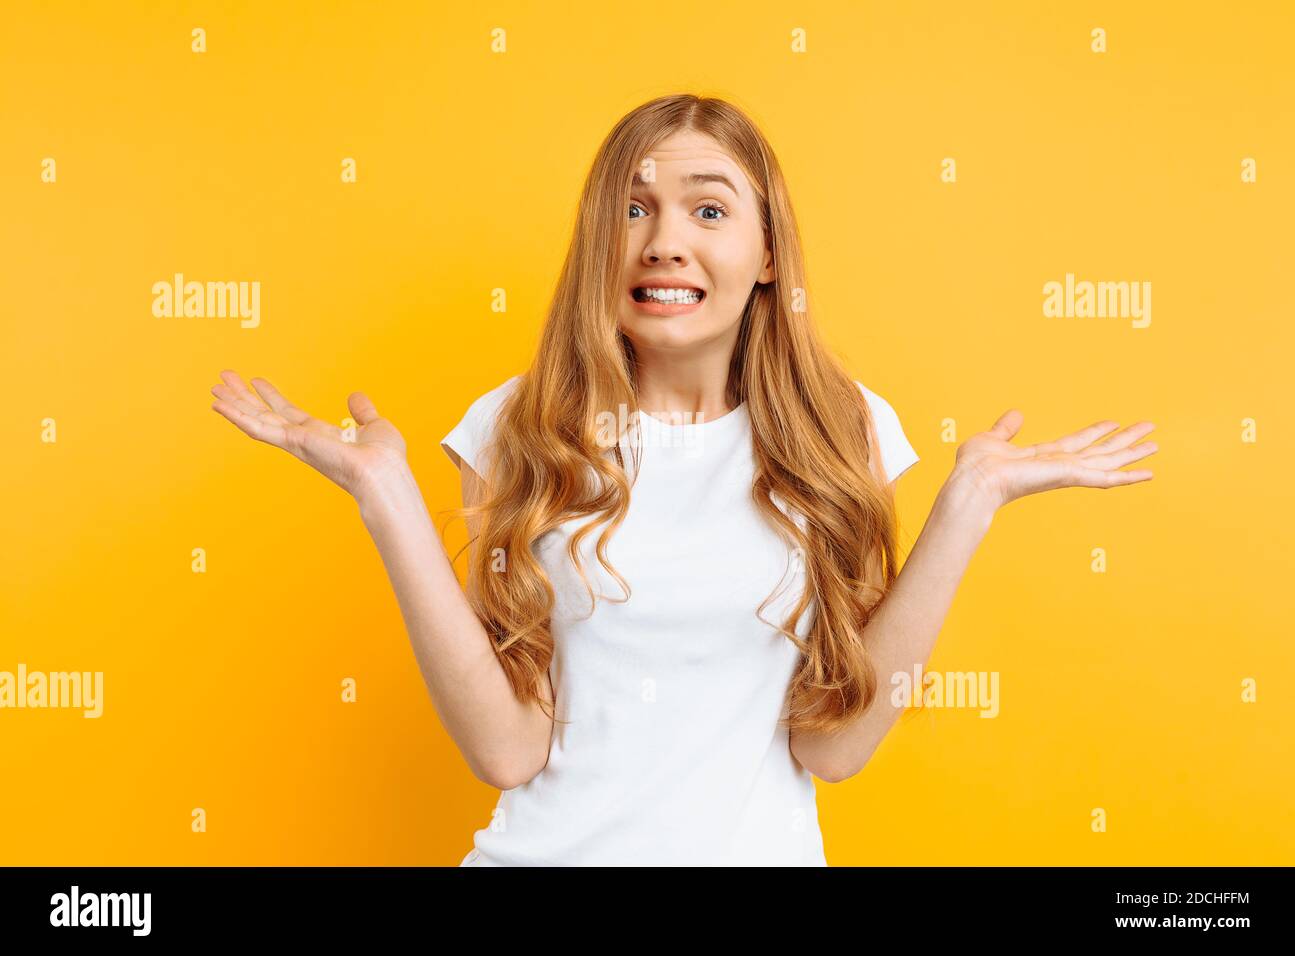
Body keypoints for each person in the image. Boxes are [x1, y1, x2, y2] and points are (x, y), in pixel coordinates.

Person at [208, 93, 1157, 866]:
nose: (664, 240)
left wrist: (970, 504)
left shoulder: (842, 432)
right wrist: (389, 502)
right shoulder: (516, 428)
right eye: (634, 207)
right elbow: (508, 749)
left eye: (709, 209)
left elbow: (835, 746)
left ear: (768, 255)